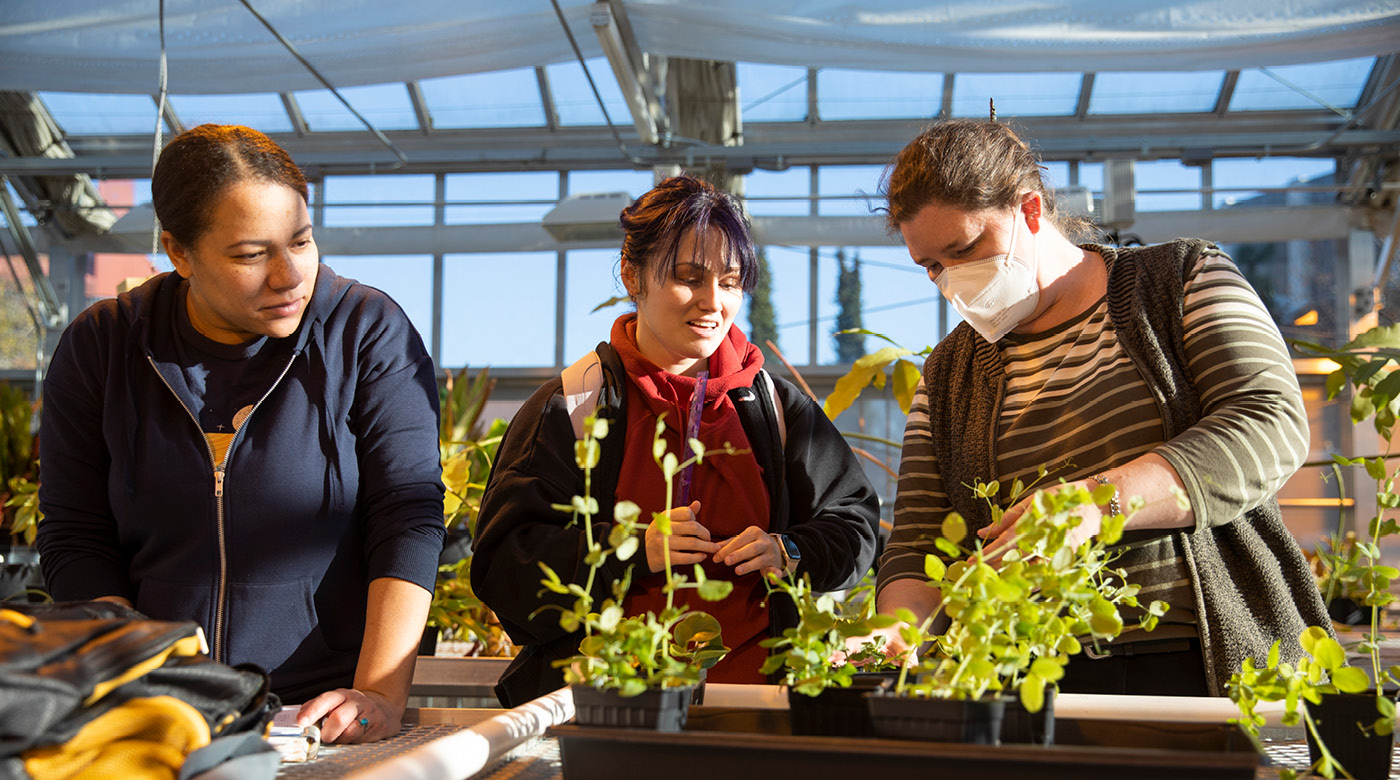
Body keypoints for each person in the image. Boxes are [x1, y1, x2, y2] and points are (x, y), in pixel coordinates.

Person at [873, 119, 1329, 697]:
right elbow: (917, 544)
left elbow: (1269, 422)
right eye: (931, 265)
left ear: (1030, 211)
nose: (950, 279)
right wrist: (894, 629)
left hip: (1204, 665)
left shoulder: (1179, 280)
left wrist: (1093, 504)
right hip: (1025, 683)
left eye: (965, 249)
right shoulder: (946, 376)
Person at [36, 124, 445, 743]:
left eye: (301, 241)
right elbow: (77, 534)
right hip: (160, 715)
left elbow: (408, 513)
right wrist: (134, 677)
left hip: (321, 716)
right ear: (179, 253)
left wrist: (379, 693)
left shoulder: (366, 332)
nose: (289, 276)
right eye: (251, 255)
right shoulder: (104, 345)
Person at [472, 175, 881, 707]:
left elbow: (856, 522)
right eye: (689, 278)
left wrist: (789, 550)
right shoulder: (573, 405)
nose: (713, 302)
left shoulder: (775, 407)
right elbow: (503, 564)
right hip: (610, 709)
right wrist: (632, 549)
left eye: (732, 281)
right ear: (631, 275)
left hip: (756, 710)